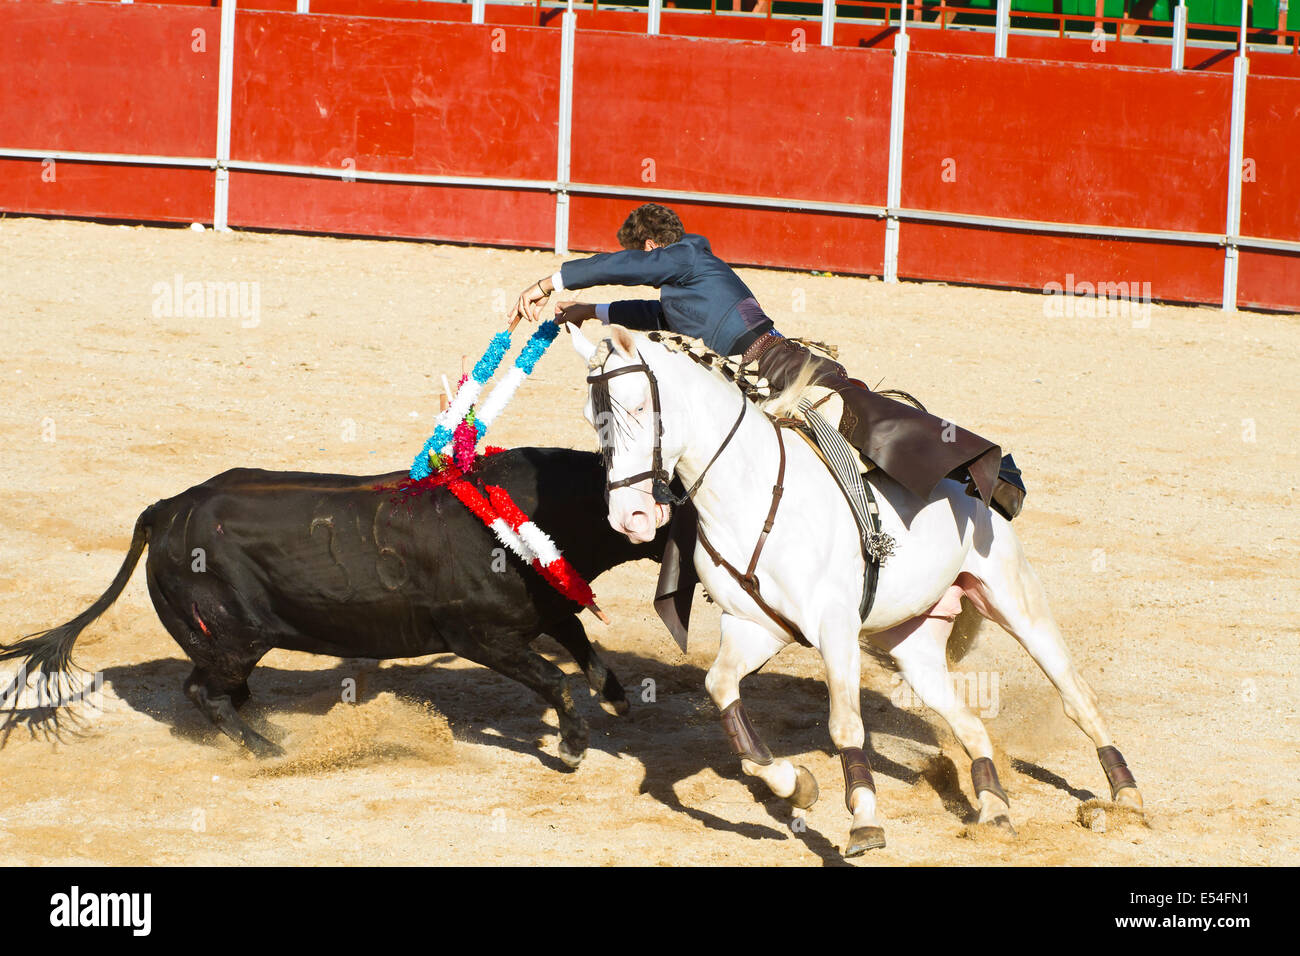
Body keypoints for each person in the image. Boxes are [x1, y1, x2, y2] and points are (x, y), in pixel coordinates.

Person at [510, 203, 1022, 519]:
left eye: (643, 257)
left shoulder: (688, 254)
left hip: (780, 367)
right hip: (746, 379)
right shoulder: (683, 287)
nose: (644, 265)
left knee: (863, 422)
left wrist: (550, 282)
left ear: (650, 246)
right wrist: (587, 310)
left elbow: (625, 270)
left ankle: (982, 474)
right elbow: (654, 312)